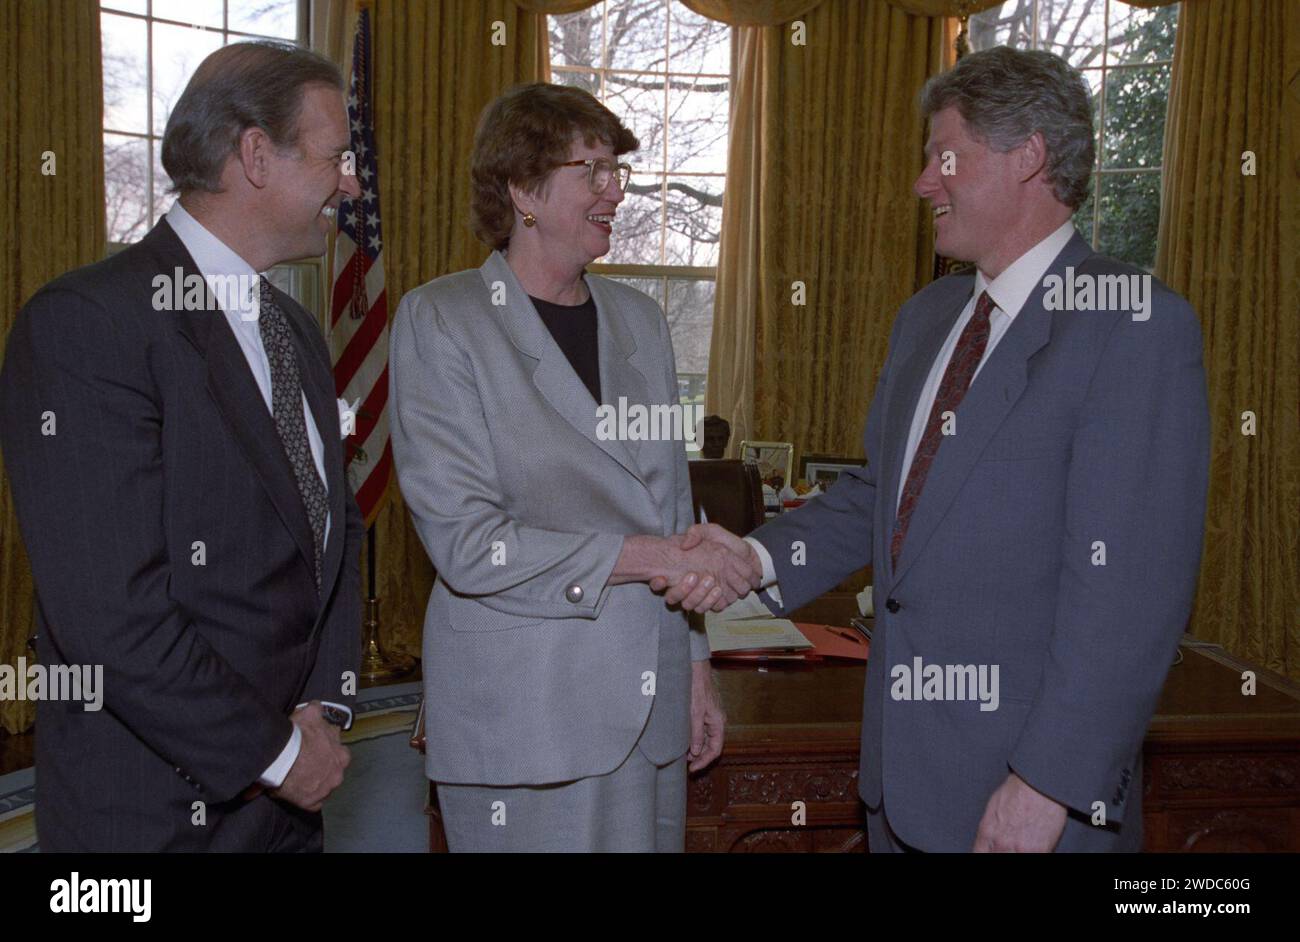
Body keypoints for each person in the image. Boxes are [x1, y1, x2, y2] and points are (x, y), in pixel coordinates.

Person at [676, 46, 1209, 852]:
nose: (925, 181)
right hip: (897, 783)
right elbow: (880, 494)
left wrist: (1048, 785)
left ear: (1028, 155)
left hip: (1026, 799)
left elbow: (1130, 599)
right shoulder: (927, 318)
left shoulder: (1131, 324)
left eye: (943, 155)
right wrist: (754, 561)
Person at [0, 42, 364, 851]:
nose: (351, 184)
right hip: (146, 816)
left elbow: (337, 531)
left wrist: (326, 712)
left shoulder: (295, 329)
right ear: (256, 155)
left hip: (289, 807)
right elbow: (109, 616)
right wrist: (273, 753)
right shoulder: (88, 326)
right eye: (337, 157)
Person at [390, 83, 759, 852]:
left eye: (616, 168)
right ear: (523, 190)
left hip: (652, 712)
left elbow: (672, 507)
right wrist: (653, 557)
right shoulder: (441, 320)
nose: (614, 189)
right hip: (527, 715)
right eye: (590, 169)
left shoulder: (642, 321)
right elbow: (466, 541)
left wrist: (696, 667)